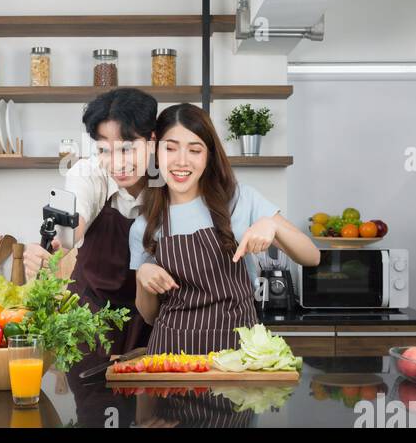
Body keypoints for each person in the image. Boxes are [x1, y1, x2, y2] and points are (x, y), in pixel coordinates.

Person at [130, 104, 319, 355]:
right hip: (172, 357)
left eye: (195, 150)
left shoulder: (241, 199)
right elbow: (150, 316)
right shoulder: (144, 224)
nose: (181, 161)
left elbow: (312, 256)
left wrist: (272, 225)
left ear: (208, 156)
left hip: (239, 355)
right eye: (170, 148)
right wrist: (144, 277)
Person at [22, 88, 157, 377]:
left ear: (152, 141)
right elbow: (71, 221)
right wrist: (53, 247)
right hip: (92, 321)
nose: (116, 162)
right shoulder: (87, 173)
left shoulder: (171, 180)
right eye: (103, 149)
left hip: (155, 321)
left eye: (127, 147)